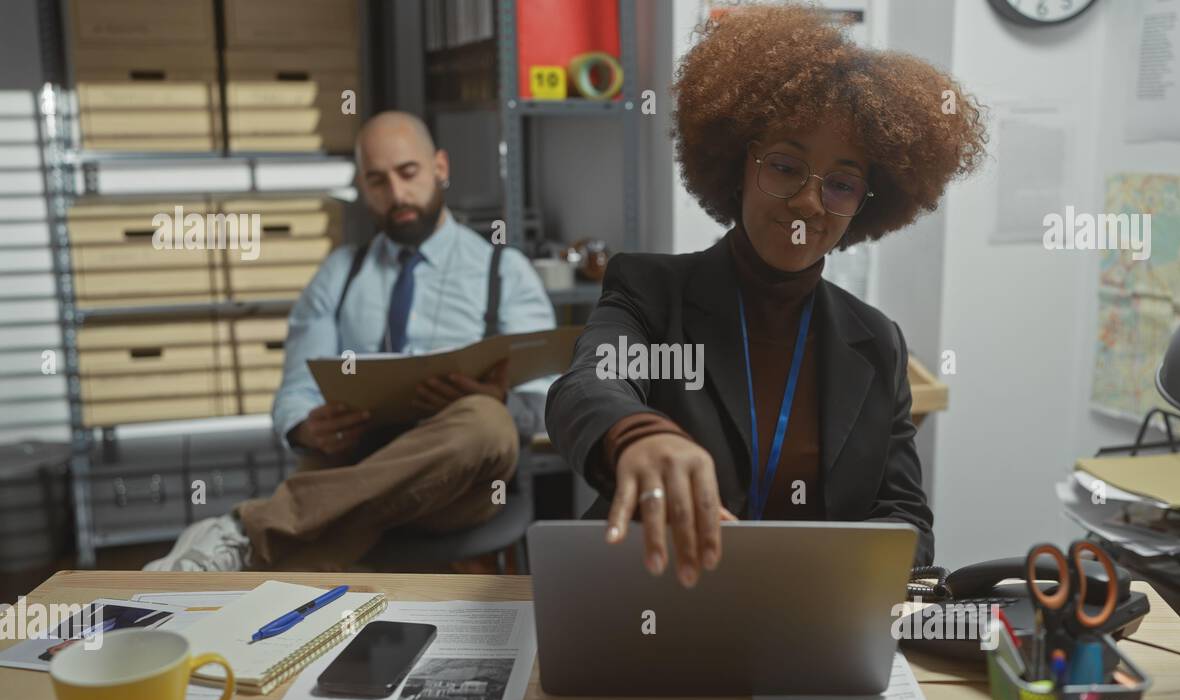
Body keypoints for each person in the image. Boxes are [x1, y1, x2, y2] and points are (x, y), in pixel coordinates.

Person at [545, 4, 986, 587]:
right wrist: (638, 435)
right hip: (659, 602)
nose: (808, 202)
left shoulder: (877, 343)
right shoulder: (651, 292)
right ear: (736, 165)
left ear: (866, 204)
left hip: (814, 619)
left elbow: (906, 522)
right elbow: (584, 388)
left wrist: (840, 585)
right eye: (785, 166)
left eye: (841, 183)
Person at [145, 111, 557, 572]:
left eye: (408, 173)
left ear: (440, 167)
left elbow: (548, 396)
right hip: (359, 459)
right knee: (322, 539)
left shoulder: (505, 270)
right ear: (362, 186)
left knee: (487, 421)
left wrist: (503, 400)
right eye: (377, 181)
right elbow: (298, 386)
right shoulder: (339, 274)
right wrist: (305, 427)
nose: (397, 195)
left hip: (462, 481)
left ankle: (244, 533)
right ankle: (190, 616)